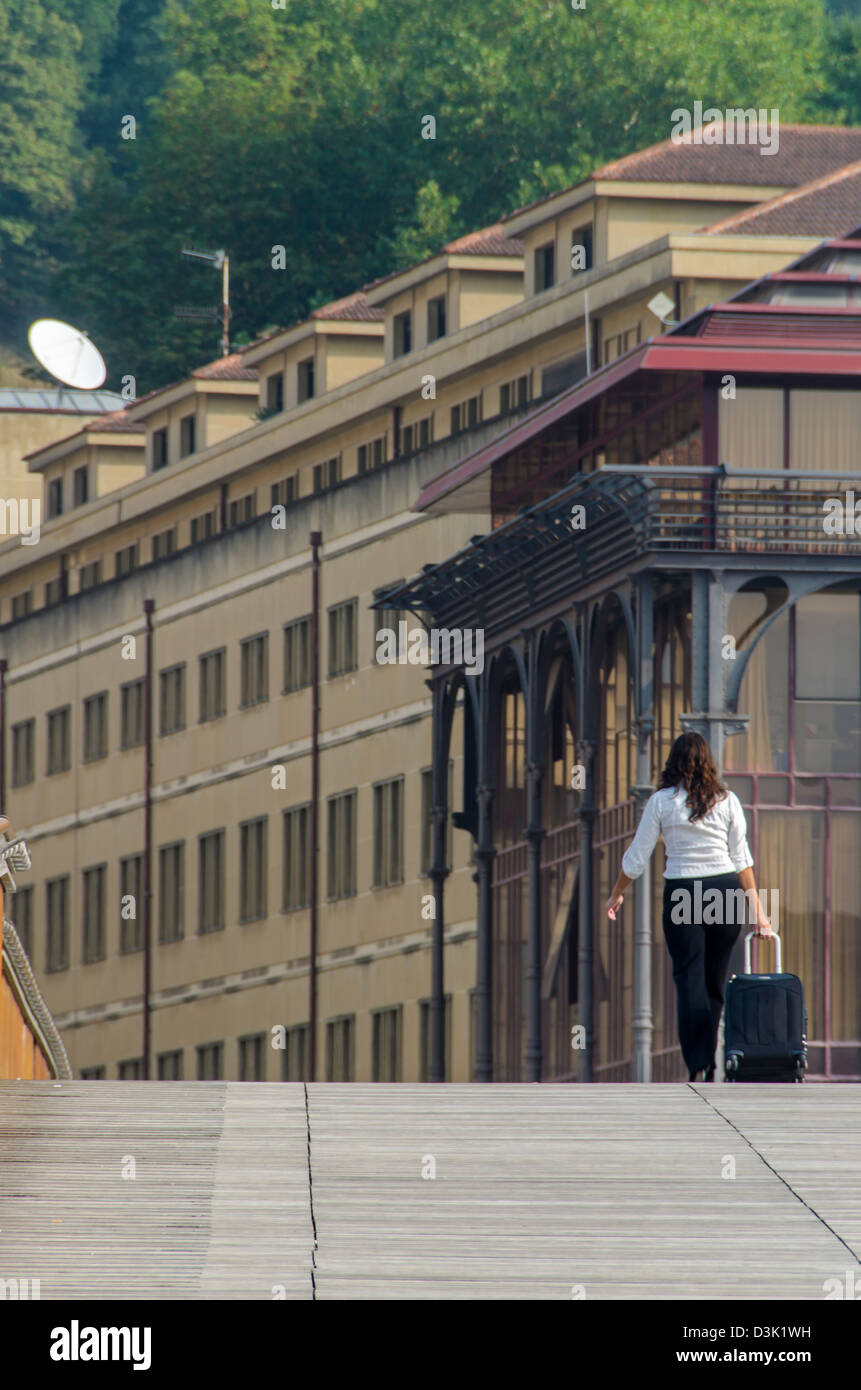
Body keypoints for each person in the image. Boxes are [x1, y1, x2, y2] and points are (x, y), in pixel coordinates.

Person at [605, 731, 772, 1082]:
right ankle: (711, 1056)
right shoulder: (728, 801)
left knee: (689, 979)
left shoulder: (662, 802)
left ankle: (698, 1063)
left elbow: (637, 856)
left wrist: (618, 892)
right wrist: (759, 914)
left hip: (684, 892)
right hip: (725, 890)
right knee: (715, 981)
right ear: (708, 762)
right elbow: (742, 861)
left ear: (674, 762)